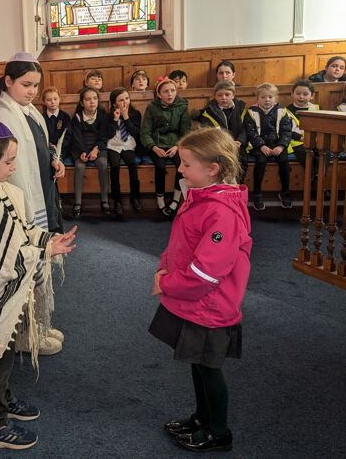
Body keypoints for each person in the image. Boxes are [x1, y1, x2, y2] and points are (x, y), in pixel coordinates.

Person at [0, 122, 76, 451]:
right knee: (0, 353)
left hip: (10, 284)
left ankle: (4, 398)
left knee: (7, 348)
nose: (13, 168)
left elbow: (19, 231)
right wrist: (45, 251)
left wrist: (48, 240)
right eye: (8, 162)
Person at [149, 128, 251, 453]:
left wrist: (165, 283)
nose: (180, 169)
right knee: (197, 364)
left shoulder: (222, 213)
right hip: (196, 303)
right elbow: (181, 243)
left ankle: (219, 431)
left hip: (209, 306)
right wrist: (165, 264)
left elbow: (205, 273)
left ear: (213, 168)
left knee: (209, 369)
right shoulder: (202, 195)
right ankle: (201, 417)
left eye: (187, 164)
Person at [0, 52, 65, 356]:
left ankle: (41, 325)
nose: (32, 91)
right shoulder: (4, 116)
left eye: (36, 85)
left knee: (40, 264)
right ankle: (26, 335)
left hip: (43, 191)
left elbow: (38, 146)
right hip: (25, 200)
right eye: (26, 84)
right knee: (27, 268)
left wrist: (53, 159)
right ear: (8, 81)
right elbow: (13, 168)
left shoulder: (28, 110)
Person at [141, 77, 190, 217]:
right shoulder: (152, 108)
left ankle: (175, 199)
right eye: (166, 91)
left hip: (176, 144)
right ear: (159, 94)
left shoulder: (182, 106)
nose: (170, 94)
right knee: (160, 167)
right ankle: (160, 200)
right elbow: (145, 132)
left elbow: (186, 131)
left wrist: (177, 146)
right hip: (157, 145)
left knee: (182, 166)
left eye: (173, 90)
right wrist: (154, 147)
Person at [244, 82, 293, 211]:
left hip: (278, 145)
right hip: (258, 146)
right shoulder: (251, 113)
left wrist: (281, 146)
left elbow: (286, 131)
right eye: (263, 97)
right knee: (260, 161)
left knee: (284, 161)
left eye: (270, 97)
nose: (267, 100)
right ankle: (257, 193)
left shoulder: (282, 112)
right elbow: (251, 132)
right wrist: (261, 146)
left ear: (275, 98)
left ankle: (285, 192)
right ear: (257, 99)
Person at [68, 87, 113, 217]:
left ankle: (104, 200)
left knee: (103, 164)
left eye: (94, 98)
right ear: (82, 103)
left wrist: (96, 149)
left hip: (98, 147)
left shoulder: (102, 116)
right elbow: (76, 138)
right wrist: (82, 151)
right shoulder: (76, 118)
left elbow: (104, 136)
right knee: (79, 166)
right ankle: (77, 203)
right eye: (87, 99)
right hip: (80, 147)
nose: (92, 102)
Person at [199, 81, 248, 181]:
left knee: (242, 160)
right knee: (220, 162)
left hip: (238, 144)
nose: (224, 98)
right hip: (219, 145)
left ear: (233, 95)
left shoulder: (241, 109)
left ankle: (238, 187)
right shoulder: (209, 111)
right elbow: (210, 131)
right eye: (220, 95)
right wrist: (226, 143)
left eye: (227, 94)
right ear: (215, 96)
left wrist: (240, 141)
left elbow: (245, 128)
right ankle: (223, 188)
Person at [107, 88, 143, 216]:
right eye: (121, 100)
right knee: (115, 167)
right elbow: (109, 134)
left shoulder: (135, 113)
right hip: (113, 144)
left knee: (132, 165)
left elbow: (135, 132)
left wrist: (126, 117)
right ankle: (117, 200)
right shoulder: (109, 115)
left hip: (128, 143)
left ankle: (135, 197)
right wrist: (115, 119)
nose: (125, 102)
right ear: (114, 103)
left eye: (127, 98)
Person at [286, 80, 320, 168]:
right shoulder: (286, 111)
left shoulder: (316, 108)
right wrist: (301, 138)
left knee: (325, 153)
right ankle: (311, 179)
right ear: (292, 94)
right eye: (298, 93)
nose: (301, 97)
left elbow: (321, 127)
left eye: (305, 94)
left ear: (312, 96)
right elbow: (287, 131)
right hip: (297, 142)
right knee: (308, 155)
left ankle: (320, 177)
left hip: (315, 140)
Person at [41, 86, 70, 150]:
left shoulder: (65, 117)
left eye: (55, 99)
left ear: (59, 99)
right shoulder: (41, 118)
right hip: (47, 150)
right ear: (44, 101)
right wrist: (49, 146)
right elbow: (41, 136)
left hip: (63, 150)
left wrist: (58, 147)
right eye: (49, 100)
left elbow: (68, 135)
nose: (53, 102)